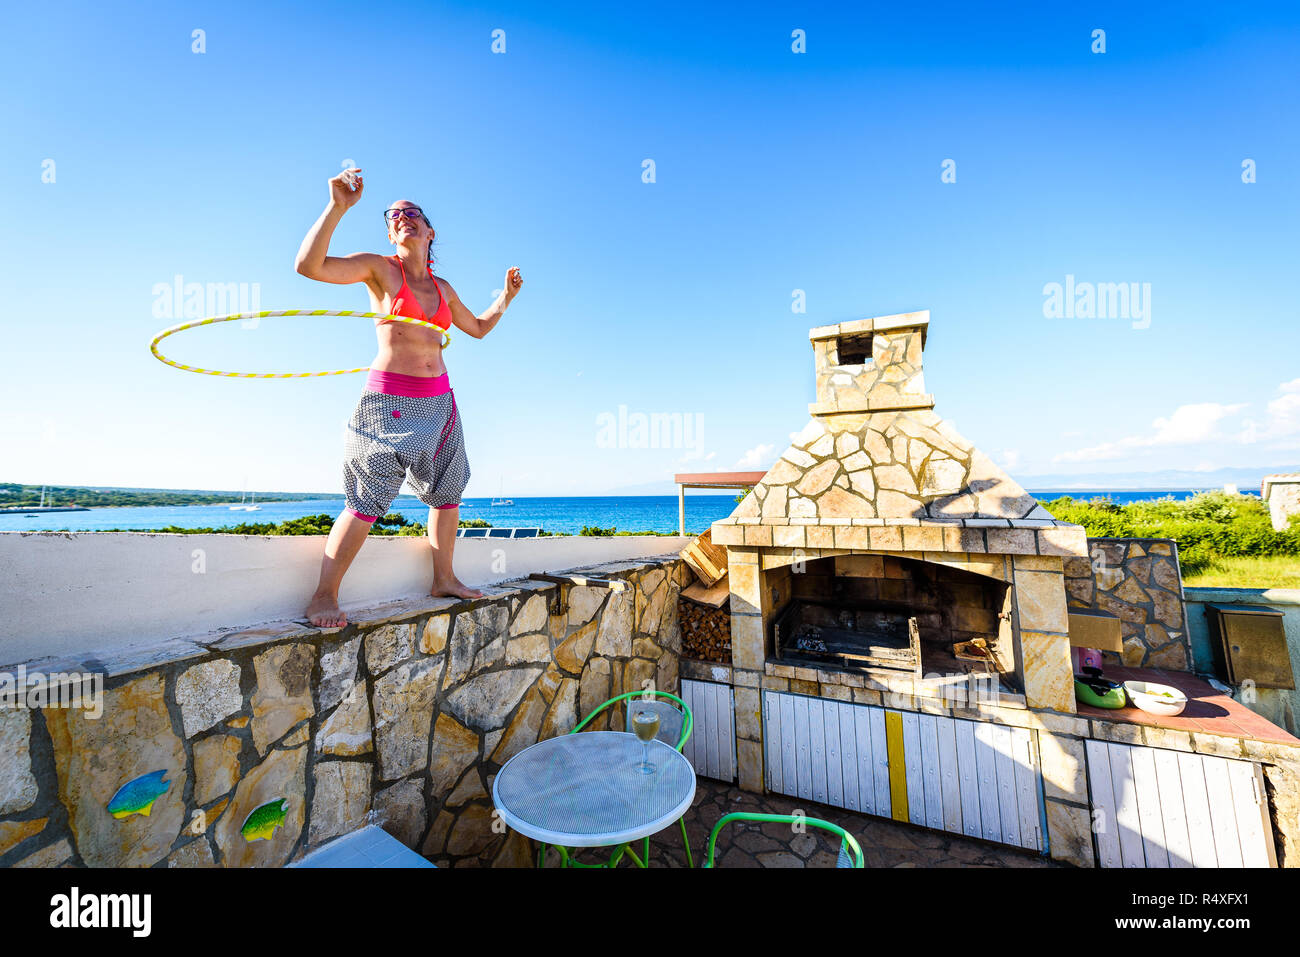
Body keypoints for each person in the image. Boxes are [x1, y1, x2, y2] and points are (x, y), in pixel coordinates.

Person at [294, 167, 522, 627]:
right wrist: (338, 207)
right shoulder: (379, 269)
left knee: (448, 491)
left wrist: (507, 298)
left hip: (440, 401)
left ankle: (444, 578)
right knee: (367, 497)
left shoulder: (443, 289)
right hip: (388, 402)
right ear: (389, 230)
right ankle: (323, 595)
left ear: (430, 230)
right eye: (393, 215)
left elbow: (476, 329)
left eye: (412, 212)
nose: (403, 217)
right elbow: (309, 267)